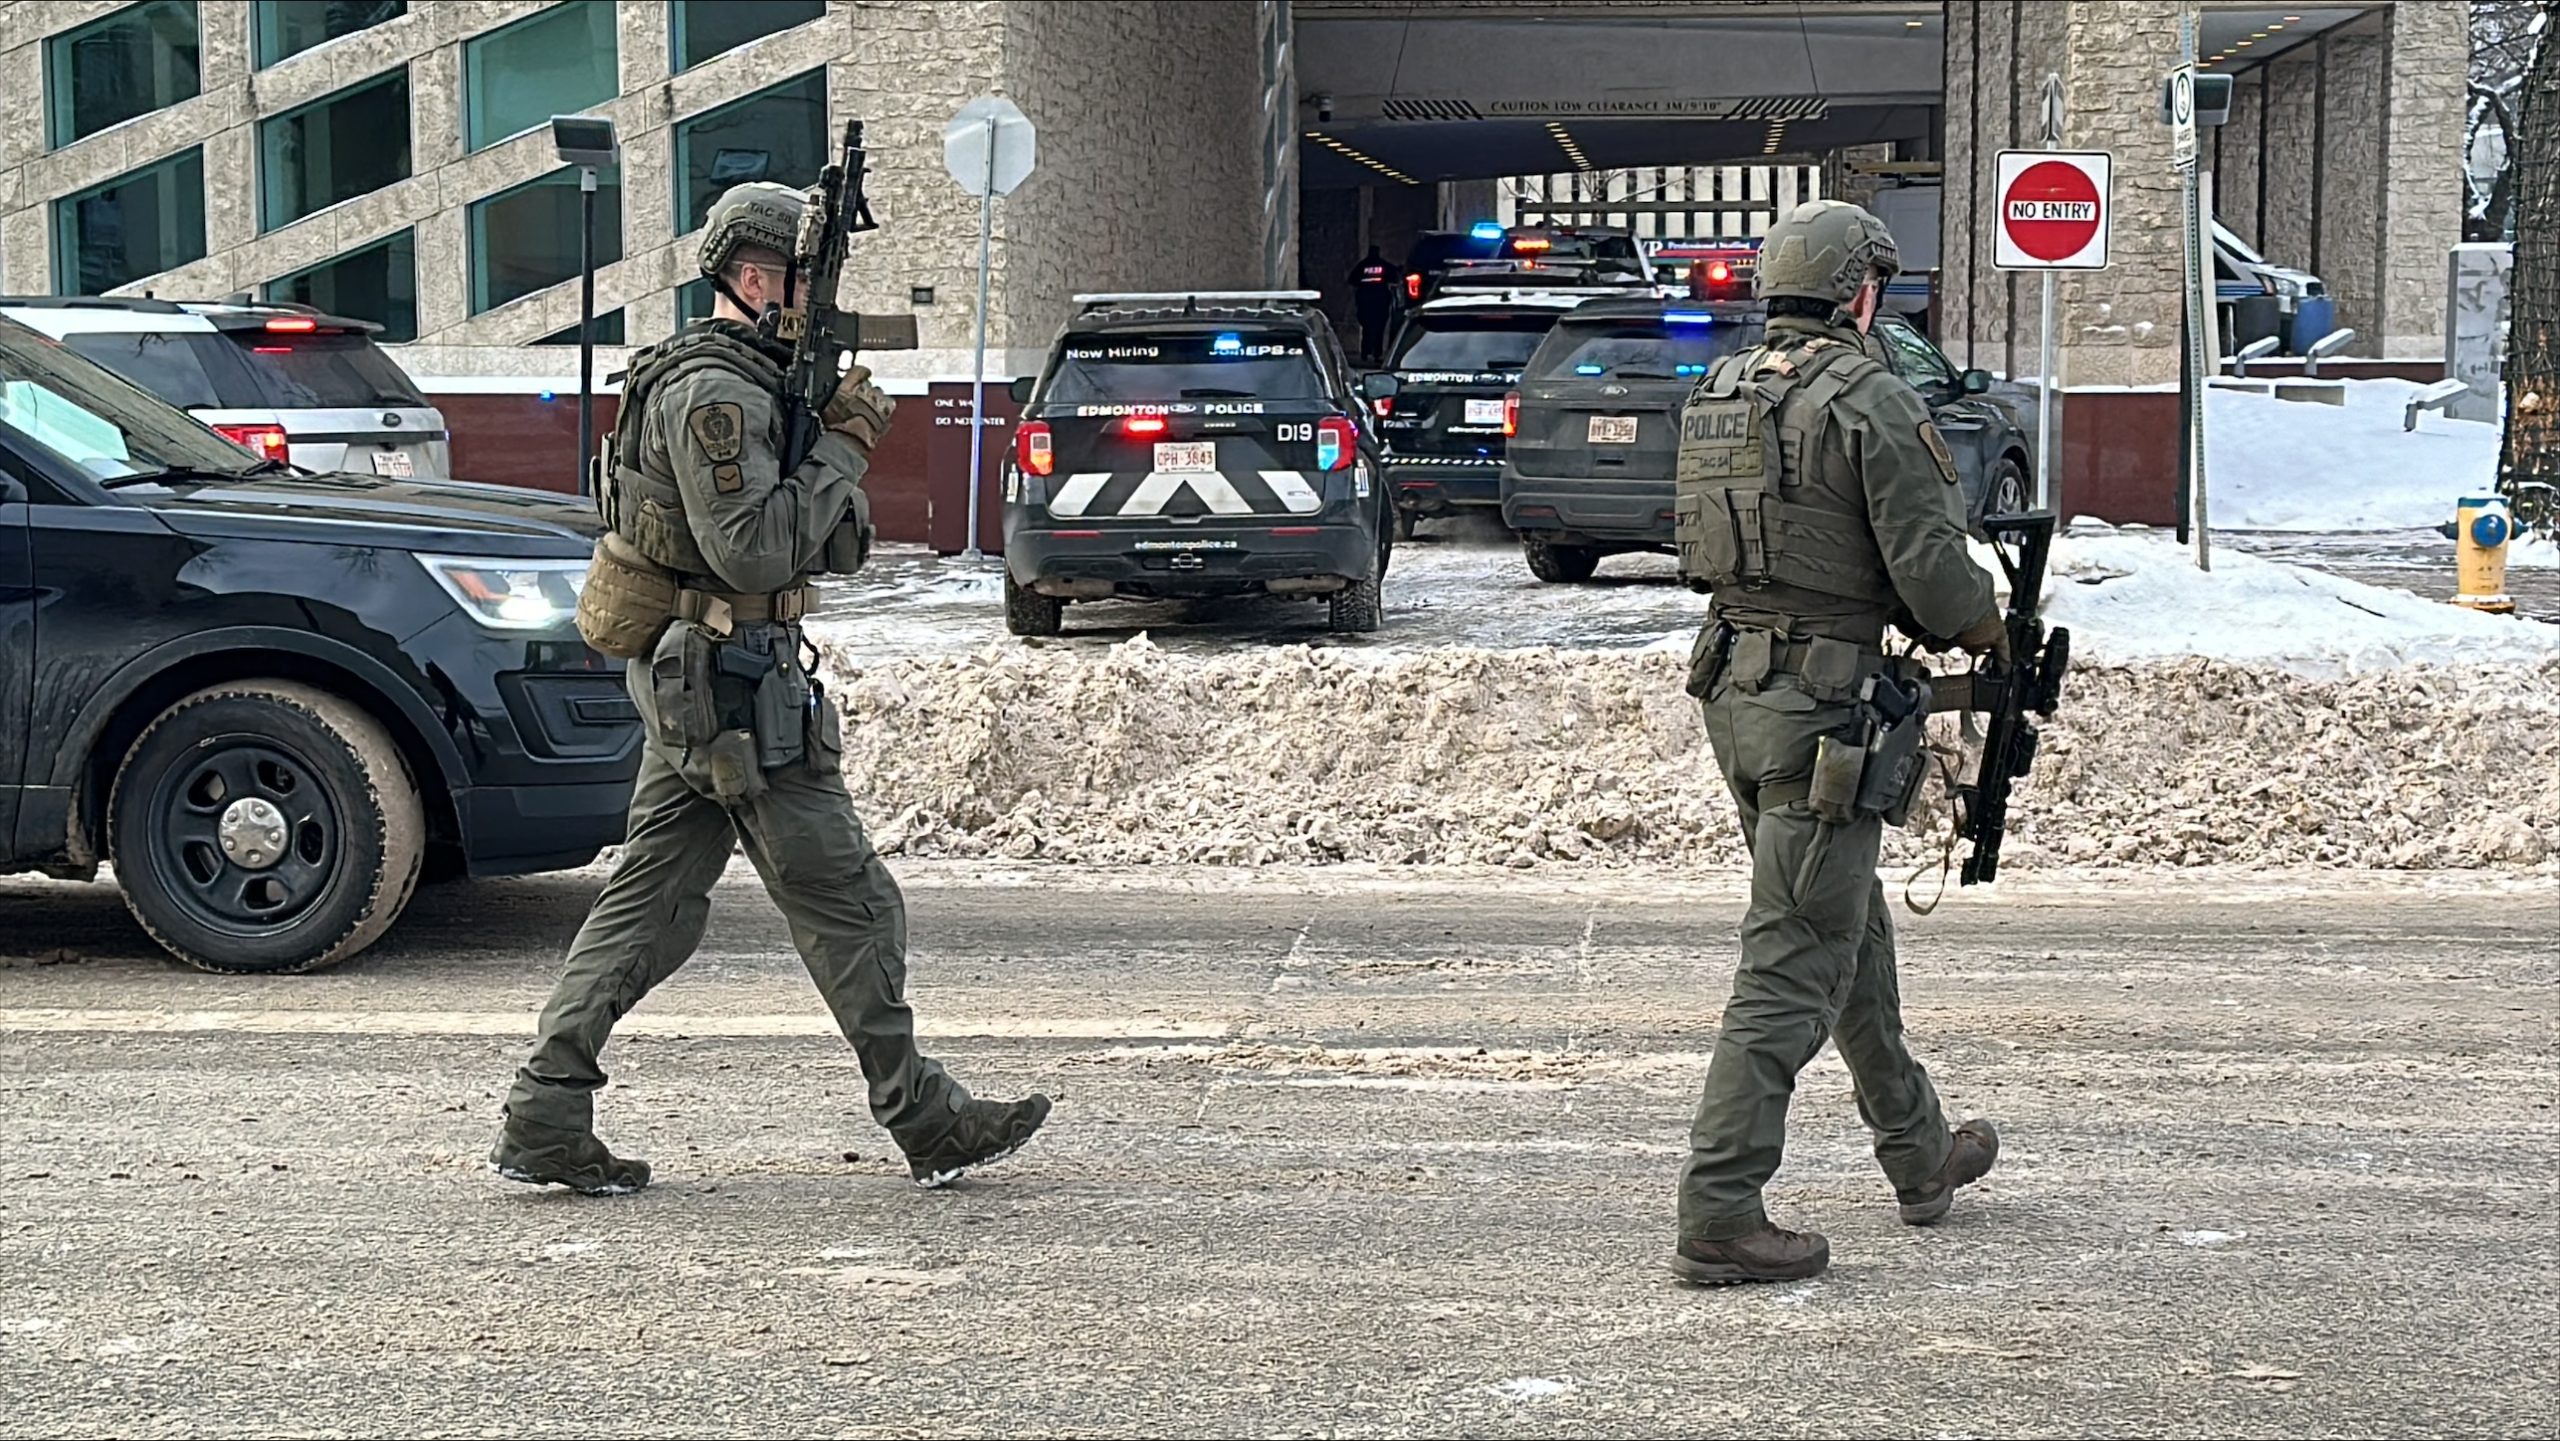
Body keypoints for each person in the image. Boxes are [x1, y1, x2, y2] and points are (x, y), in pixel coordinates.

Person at [490, 181, 1051, 1196]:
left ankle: (544, 1110)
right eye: (798, 280)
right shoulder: (718, 394)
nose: (811, 301)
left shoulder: (741, 378)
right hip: (732, 685)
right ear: (751, 278)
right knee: (849, 902)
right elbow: (749, 552)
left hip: (703, 677)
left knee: (650, 903)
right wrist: (842, 442)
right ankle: (925, 1117)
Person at [1666, 199, 2007, 1284]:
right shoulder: (1866, 394)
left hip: (1739, 690)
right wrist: (1991, 628)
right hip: (1823, 711)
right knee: (1791, 960)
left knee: (1845, 926)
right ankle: (1720, 1205)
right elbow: (1935, 577)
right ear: (1861, 291)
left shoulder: (1720, 390)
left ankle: (1917, 1153)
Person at [1348, 245, 1397, 365]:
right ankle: (1377, 353)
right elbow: (1394, 276)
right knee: (1379, 328)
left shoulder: (1362, 266)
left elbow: (1352, 280)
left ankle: (1365, 352)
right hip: (1380, 301)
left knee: (1367, 328)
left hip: (1365, 302)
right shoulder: (1383, 265)